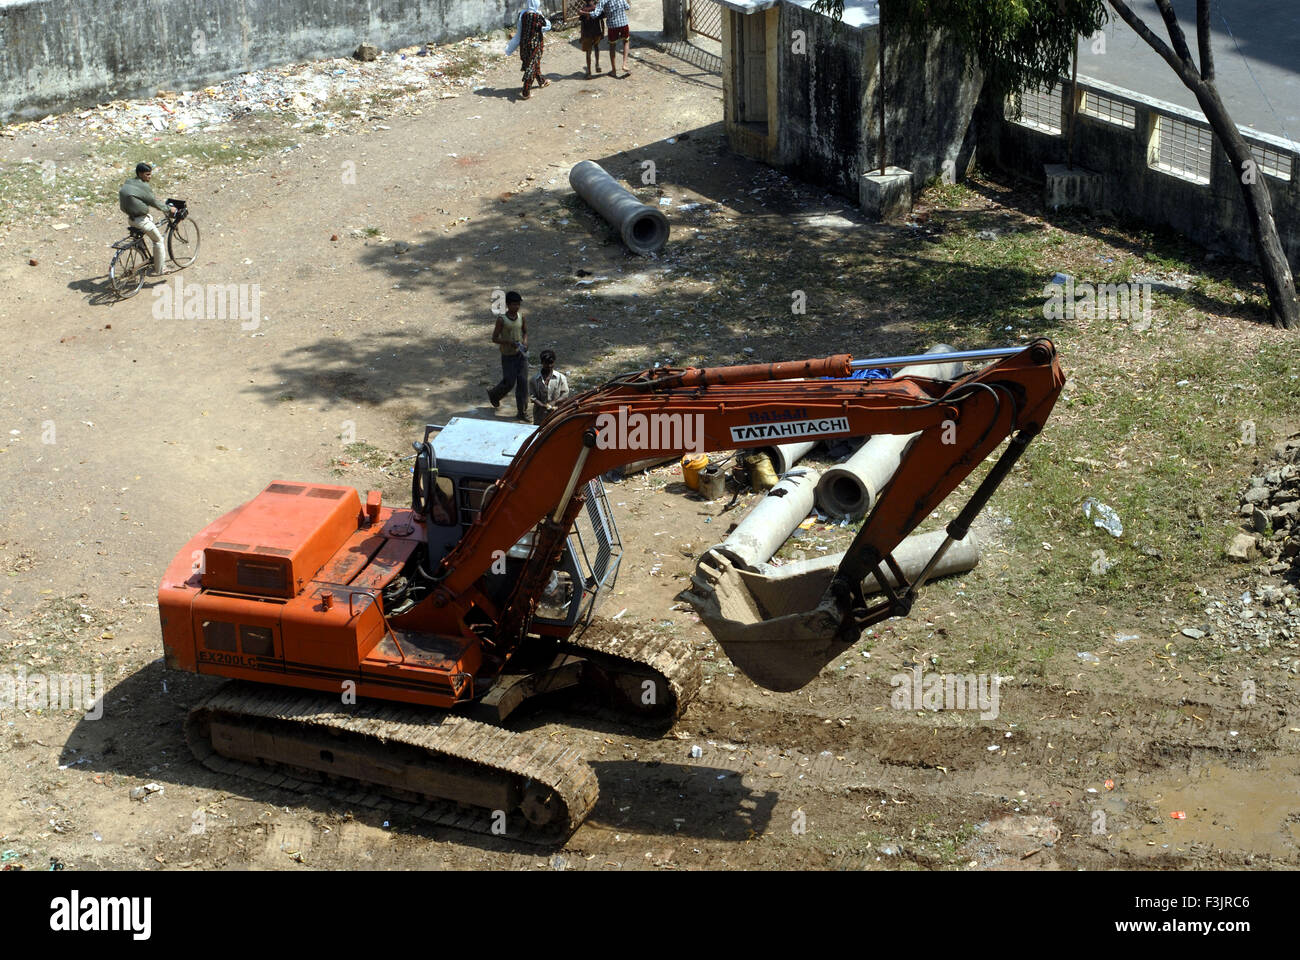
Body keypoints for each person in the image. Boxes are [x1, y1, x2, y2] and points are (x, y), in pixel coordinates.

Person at [118, 162, 171, 276]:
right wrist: (168, 209)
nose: (150, 177)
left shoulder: (130, 182)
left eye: (150, 174)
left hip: (131, 219)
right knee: (158, 241)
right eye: (147, 174)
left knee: (146, 231)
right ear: (140, 174)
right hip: (141, 221)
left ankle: (145, 256)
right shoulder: (143, 186)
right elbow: (153, 202)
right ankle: (161, 269)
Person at [487, 291, 530, 419]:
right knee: (509, 382)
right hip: (508, 356)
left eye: (518, 304)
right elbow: (494, 338)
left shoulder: (521, 317)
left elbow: (525, 332)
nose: (516, 307)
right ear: (507, 304)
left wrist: (525, 342)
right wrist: (508, 342)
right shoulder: (502, 320)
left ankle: (522, 412)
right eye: (514, 304)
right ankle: (494, 394)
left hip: (521, 355)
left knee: (523, 383)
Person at [505, 0, 551, 99]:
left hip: (524, 45)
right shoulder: (538, 16)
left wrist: (509, 48)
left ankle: (541, 81)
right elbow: (547, 27)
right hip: (535, 45)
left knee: (533, 63)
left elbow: (519, 33)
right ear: (536, 4)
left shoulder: (522, 15)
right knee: (532, 66)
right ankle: (526, 91)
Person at [530, 349, 570, 425]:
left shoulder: (561, 378)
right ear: (542, 363)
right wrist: (542, 405)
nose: (549, 366)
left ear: (554, 362)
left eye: (551, 363)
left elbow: (565, 395)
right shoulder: (534, 379)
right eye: (546, 363)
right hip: (539, 415)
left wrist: (554, 402)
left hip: (556, 413)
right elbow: (533, 397)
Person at [592, 0, 631, 78]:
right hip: (624, 24)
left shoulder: (603, 1)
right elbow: (627, 7)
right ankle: (624, 64)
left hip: (612, 26)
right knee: (626, 41)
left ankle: (613, 70)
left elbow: (595, 14)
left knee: (612, 46)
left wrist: (583, 12)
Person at [578, 2, 608, 78]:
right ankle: (597, 65)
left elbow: (582, 24)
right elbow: (601, 21)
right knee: (596, 47)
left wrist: (582, 36)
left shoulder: (583, 9)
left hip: (587, 34)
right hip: (597, 32)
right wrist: (603, 32)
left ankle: (589, 72)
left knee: (588, 52)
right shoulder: (596, 8)